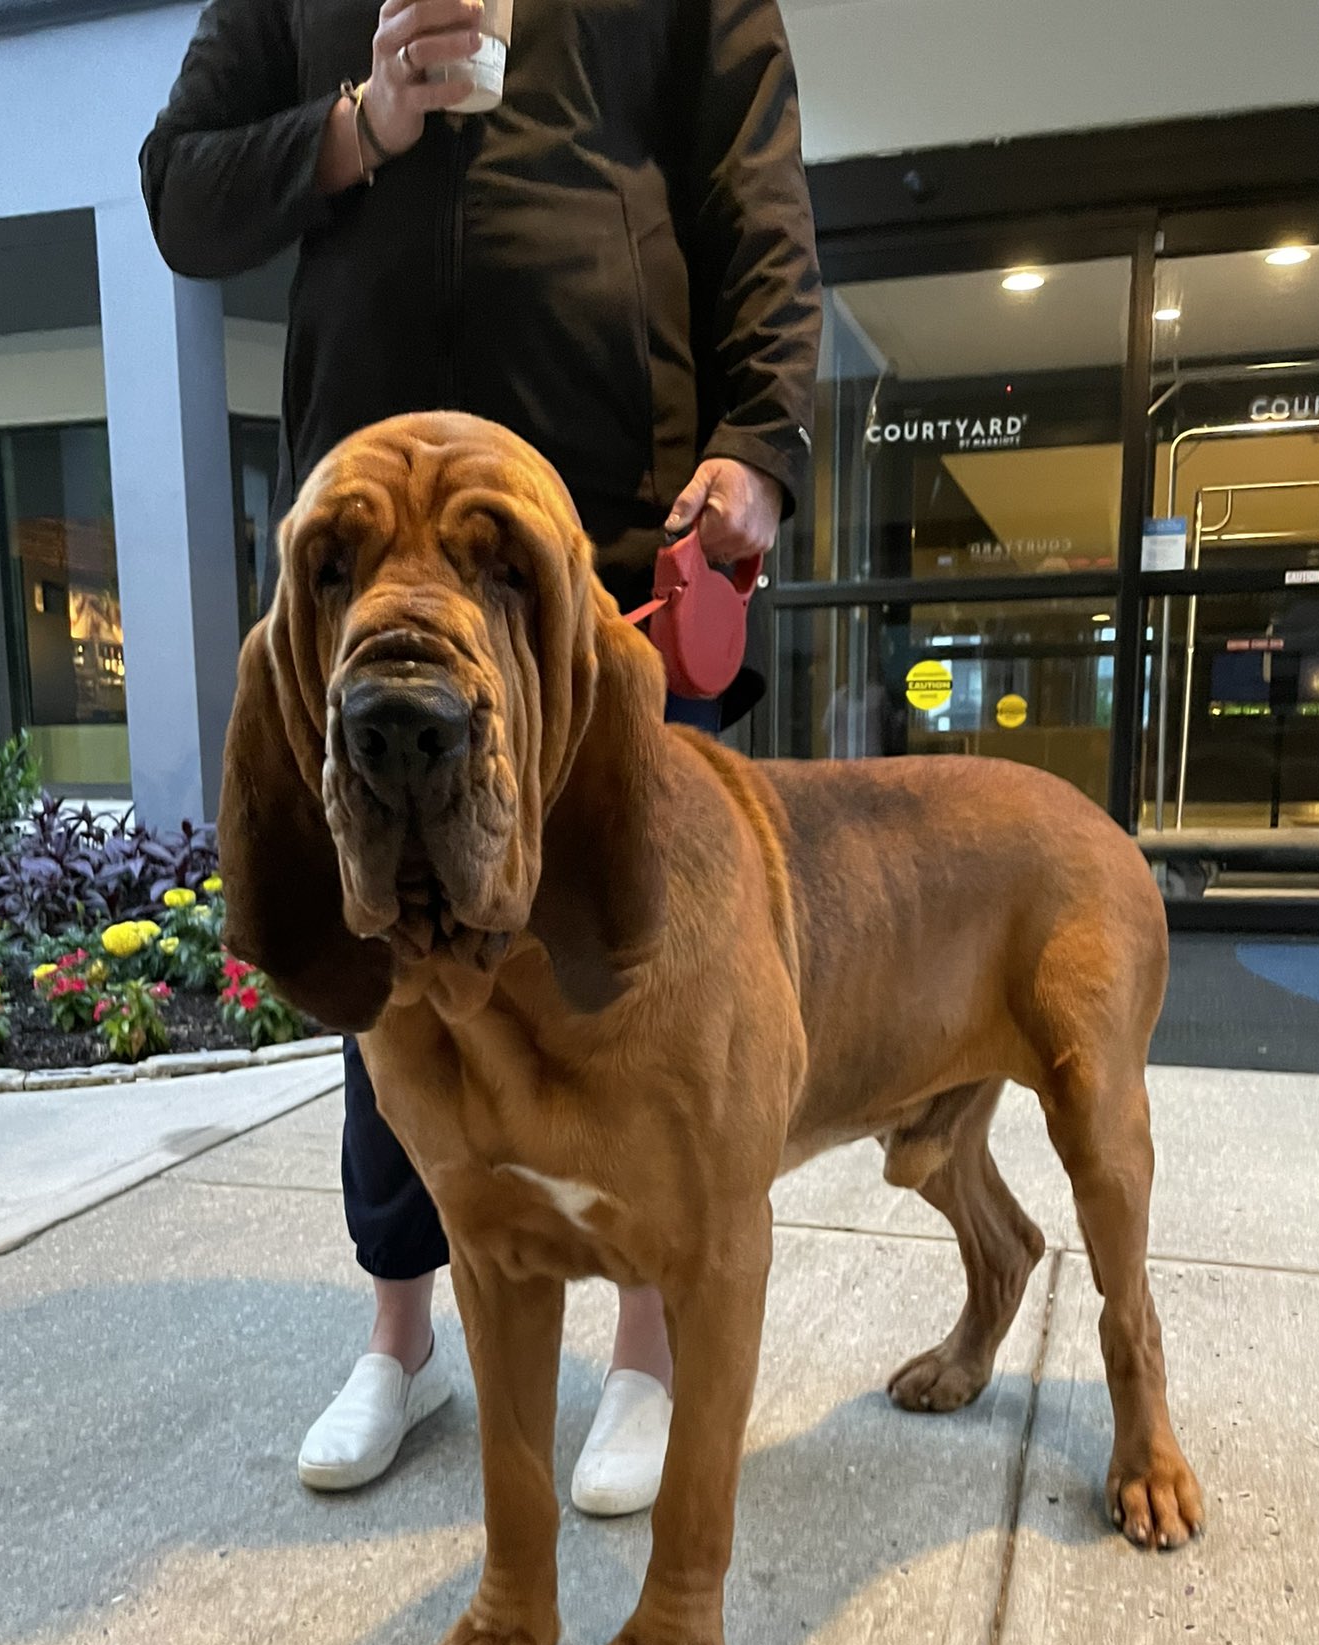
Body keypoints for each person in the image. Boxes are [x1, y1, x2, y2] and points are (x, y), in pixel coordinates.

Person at [142, 0, 821, 1512]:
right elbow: (180, 187)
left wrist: (764, 438)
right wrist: (354, 126)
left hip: (604, 542)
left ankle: (647, 1348)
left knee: (649, 967)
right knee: (382, 965)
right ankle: (404, 1331)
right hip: (362, 559)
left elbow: (754, 191)